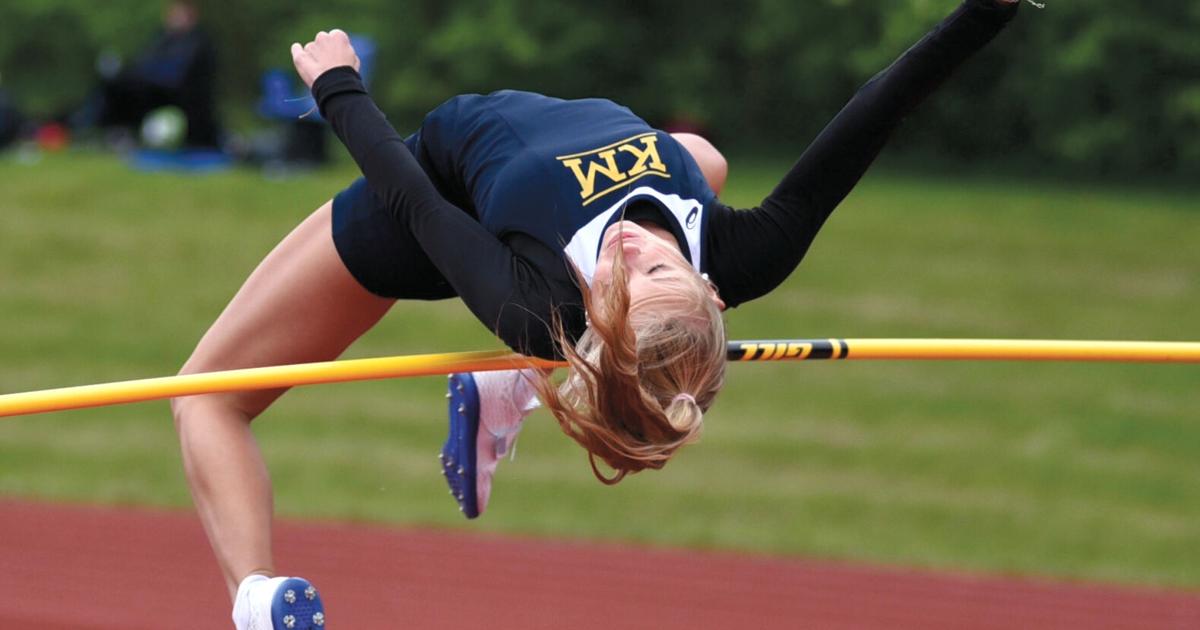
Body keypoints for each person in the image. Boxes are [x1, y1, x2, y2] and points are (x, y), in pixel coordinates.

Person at [170, 1, 1021, 627]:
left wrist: (340, 91)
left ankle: (255, 597)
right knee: (702, 161)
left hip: (433, 198)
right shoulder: (740, 253)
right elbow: (876, 114)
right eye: (657, 264)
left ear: (593, 322)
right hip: (546, 266)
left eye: (621, 284)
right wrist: (986, 15)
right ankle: (511, 395)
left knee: (206, 393)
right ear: (710, 290)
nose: (630, 252)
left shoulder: (529, 300)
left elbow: (419, 206)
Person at [76, 0, 221, 149]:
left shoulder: (197, 43)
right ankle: (96, 127)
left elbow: (175, 75)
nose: (173, 18)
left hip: (179, 96)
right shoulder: (163, 38)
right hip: (155, 87)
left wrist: (140, 76)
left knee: (126, 87)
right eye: (172, 14)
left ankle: (119, 132)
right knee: (114, 82)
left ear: (191, 17)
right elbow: (144, 62)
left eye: (179, 14)